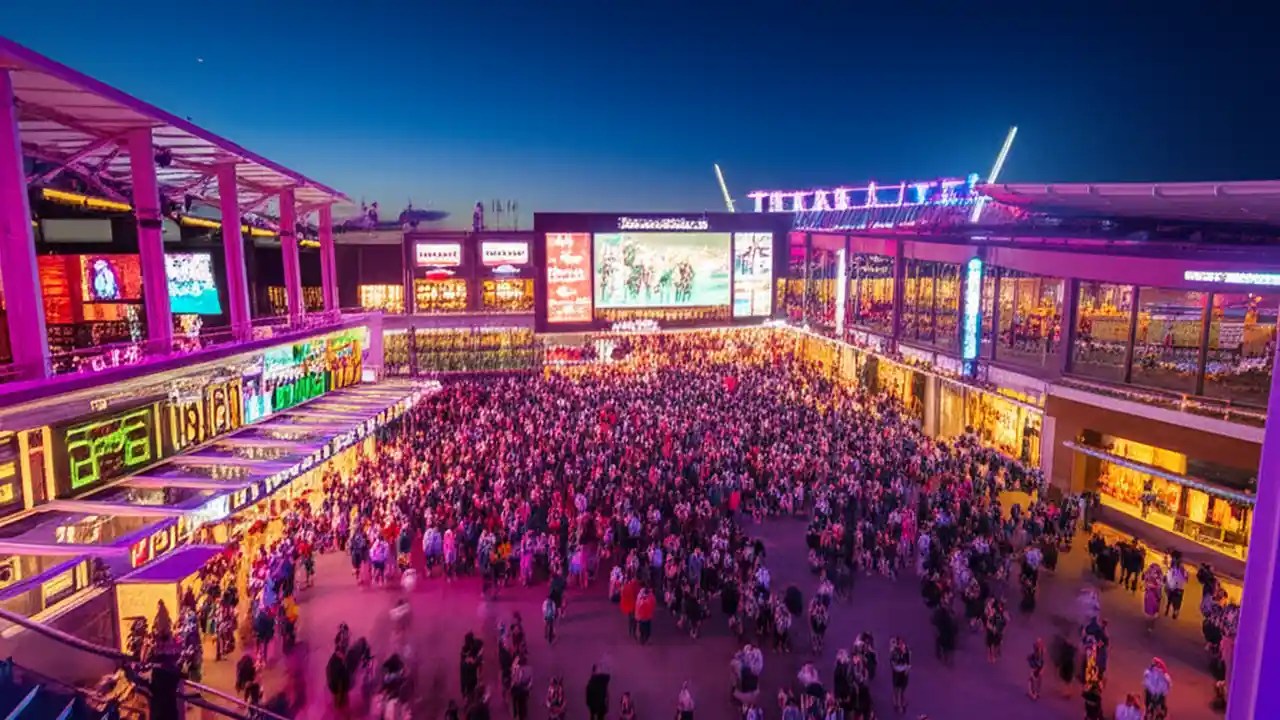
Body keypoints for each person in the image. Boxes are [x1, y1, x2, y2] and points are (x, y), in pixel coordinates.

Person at [889, 636, 911, 715]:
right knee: (897, 688)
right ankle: (897, 703)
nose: (901, 645)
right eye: (899, 644)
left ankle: (901, 701)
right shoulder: (894, 651)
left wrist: (907, 670)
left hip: (904, 672)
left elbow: (909, 662)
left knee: (902, 688)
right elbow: (892, 662)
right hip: (897, 672)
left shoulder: (907, 651)